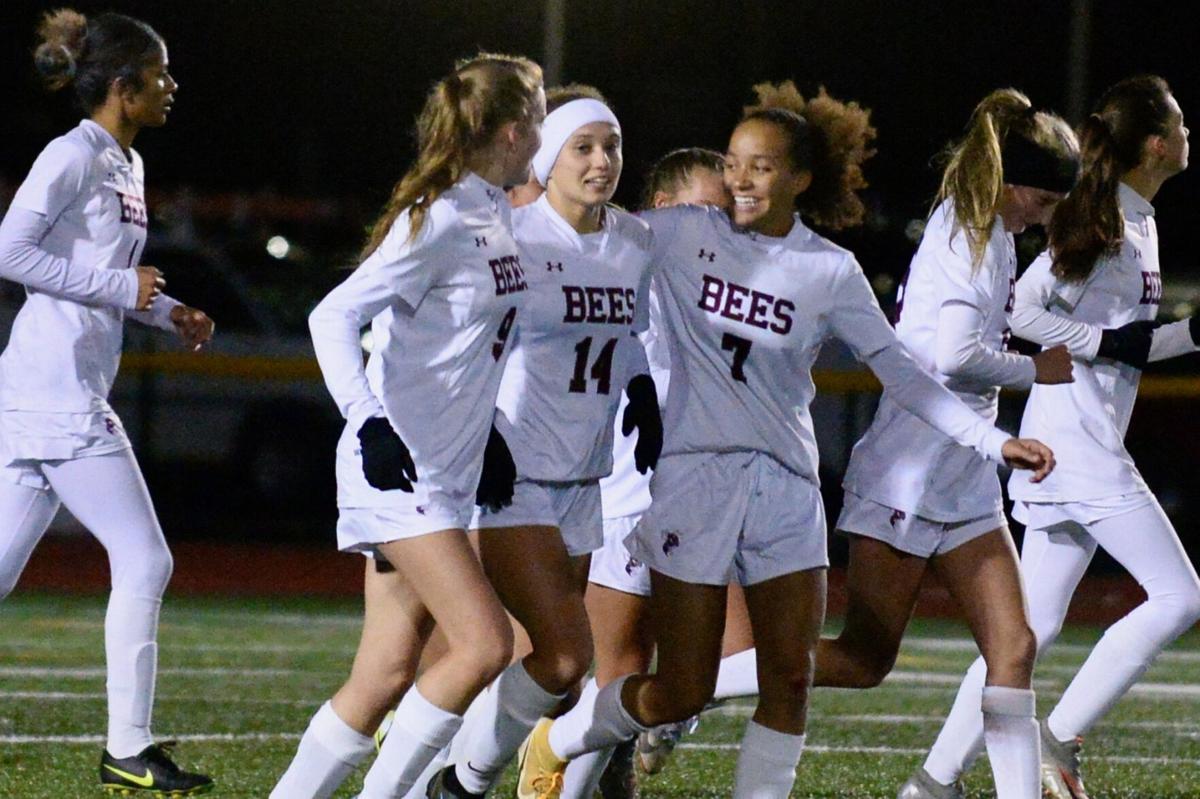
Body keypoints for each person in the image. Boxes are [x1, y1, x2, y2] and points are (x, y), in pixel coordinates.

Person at [515, 80, 1056, 799]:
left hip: (788, 489)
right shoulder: (678, 234)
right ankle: (559, 738)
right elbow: (574, 226)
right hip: (694, 484)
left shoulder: (829, 270)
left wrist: (992, 441)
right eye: (734, 162)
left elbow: (903, 370)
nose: (739, 177)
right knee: (681, 689)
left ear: (799, 179)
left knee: (791, 675)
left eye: (760, 165)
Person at [693, 88, 1081, 799]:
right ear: (1020, 186)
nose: (1044, 217)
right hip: (910, 470)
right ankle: (691, 686)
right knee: (863, 658)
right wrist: (1036, 369)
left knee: (1014, 647)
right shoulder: (969, 234)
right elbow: (954, 355)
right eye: (1047, 202)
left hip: (960, 472)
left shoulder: (987, 231)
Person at [906, 74, 1199, 799]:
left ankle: (933, 782)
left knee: (1024, 633)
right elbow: (1030, 311)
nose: (1190, 136)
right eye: (1182, 125)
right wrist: (1098, 341)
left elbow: (1130, 346)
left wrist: (1188, 334)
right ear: (1157, 144)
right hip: (1078, 438)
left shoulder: (1140, 219)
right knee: (1181, 595)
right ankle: (1056, 735)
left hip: (1075, 433)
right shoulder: (1106, 221)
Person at [269, 53, 545, 799]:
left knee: (385, 673)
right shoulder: (443, 215)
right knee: (485, 644)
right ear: (517, 130)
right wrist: (368, 419)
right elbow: (333, 315)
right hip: (400, 470)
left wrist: (485, 431)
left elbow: (463, 341)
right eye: (544, 118)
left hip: (446, 469)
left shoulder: (494, 209)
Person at [426, 85, 664, 799]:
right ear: (548, 157)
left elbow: (634, 336)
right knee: (562, 658)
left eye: (611, 145)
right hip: (515, 471)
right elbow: (457, 349)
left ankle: (446, 779)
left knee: (546, 669)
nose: (601, 160)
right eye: (583, 147)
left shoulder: (633, 241)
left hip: (584, 476)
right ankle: (459, 782)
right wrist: (483, 433)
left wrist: (643, 388)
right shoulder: (512, 238)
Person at [0, 10, 214, 795]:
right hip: (57, 390)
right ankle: (128, 748)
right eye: (159, 74)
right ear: (123, 87)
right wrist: (125, 287)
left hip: (43, 386)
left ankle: (129, 745)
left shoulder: (128, 163)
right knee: (147, 556)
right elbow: (9, 252)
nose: (171, 85)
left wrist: (168, 309)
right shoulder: (72, 155)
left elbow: (106, 277)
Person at [562, 147, 732, 799]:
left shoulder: (706, 281)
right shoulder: (623, 266)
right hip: (624, 500)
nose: (726, 225)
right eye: (711, 210)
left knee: (671, 673)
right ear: (663, 210)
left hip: (692, 502)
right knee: (609, 671)